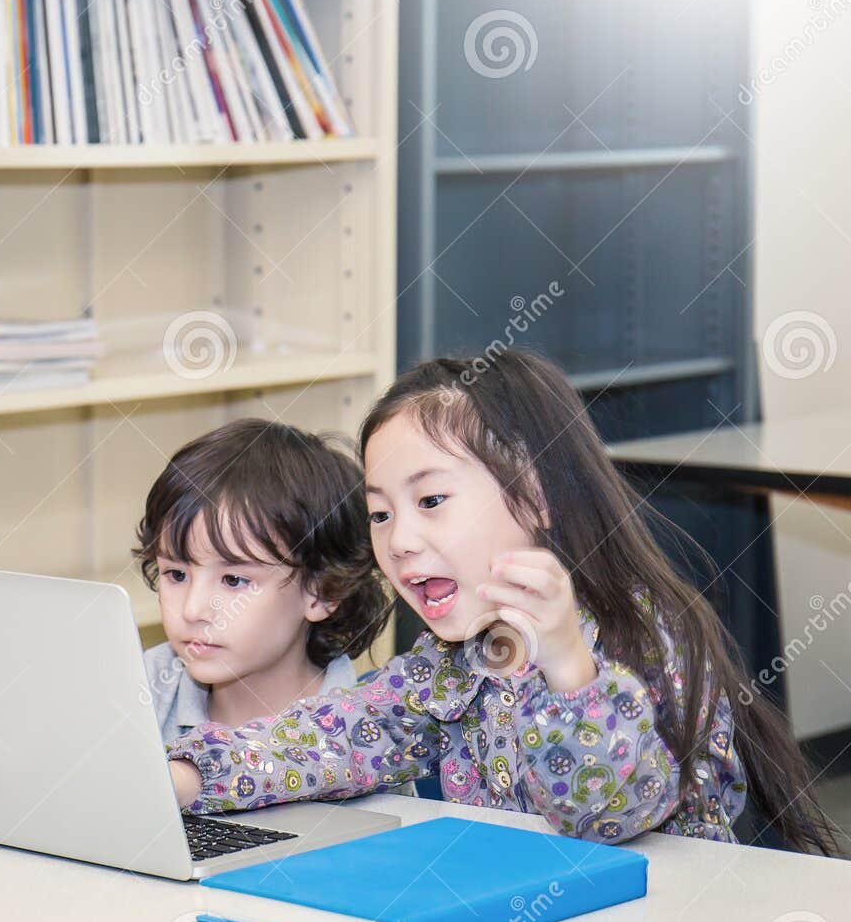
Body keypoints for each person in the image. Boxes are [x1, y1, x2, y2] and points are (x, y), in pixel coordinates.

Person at [166, 350, 842, 854]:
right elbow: (335, 733)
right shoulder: (452, 661)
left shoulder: (641, 632)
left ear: (536, 494)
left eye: (431, 500)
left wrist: (568, 666)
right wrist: (187, 777)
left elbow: (608, 814)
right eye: (379, 513)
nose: (399, 540)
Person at [133, 419, 389, 739]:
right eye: (177, 574)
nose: (193, 610)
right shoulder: (137, 690)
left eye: (234, 580)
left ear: (322, 590)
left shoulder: (367, 741)